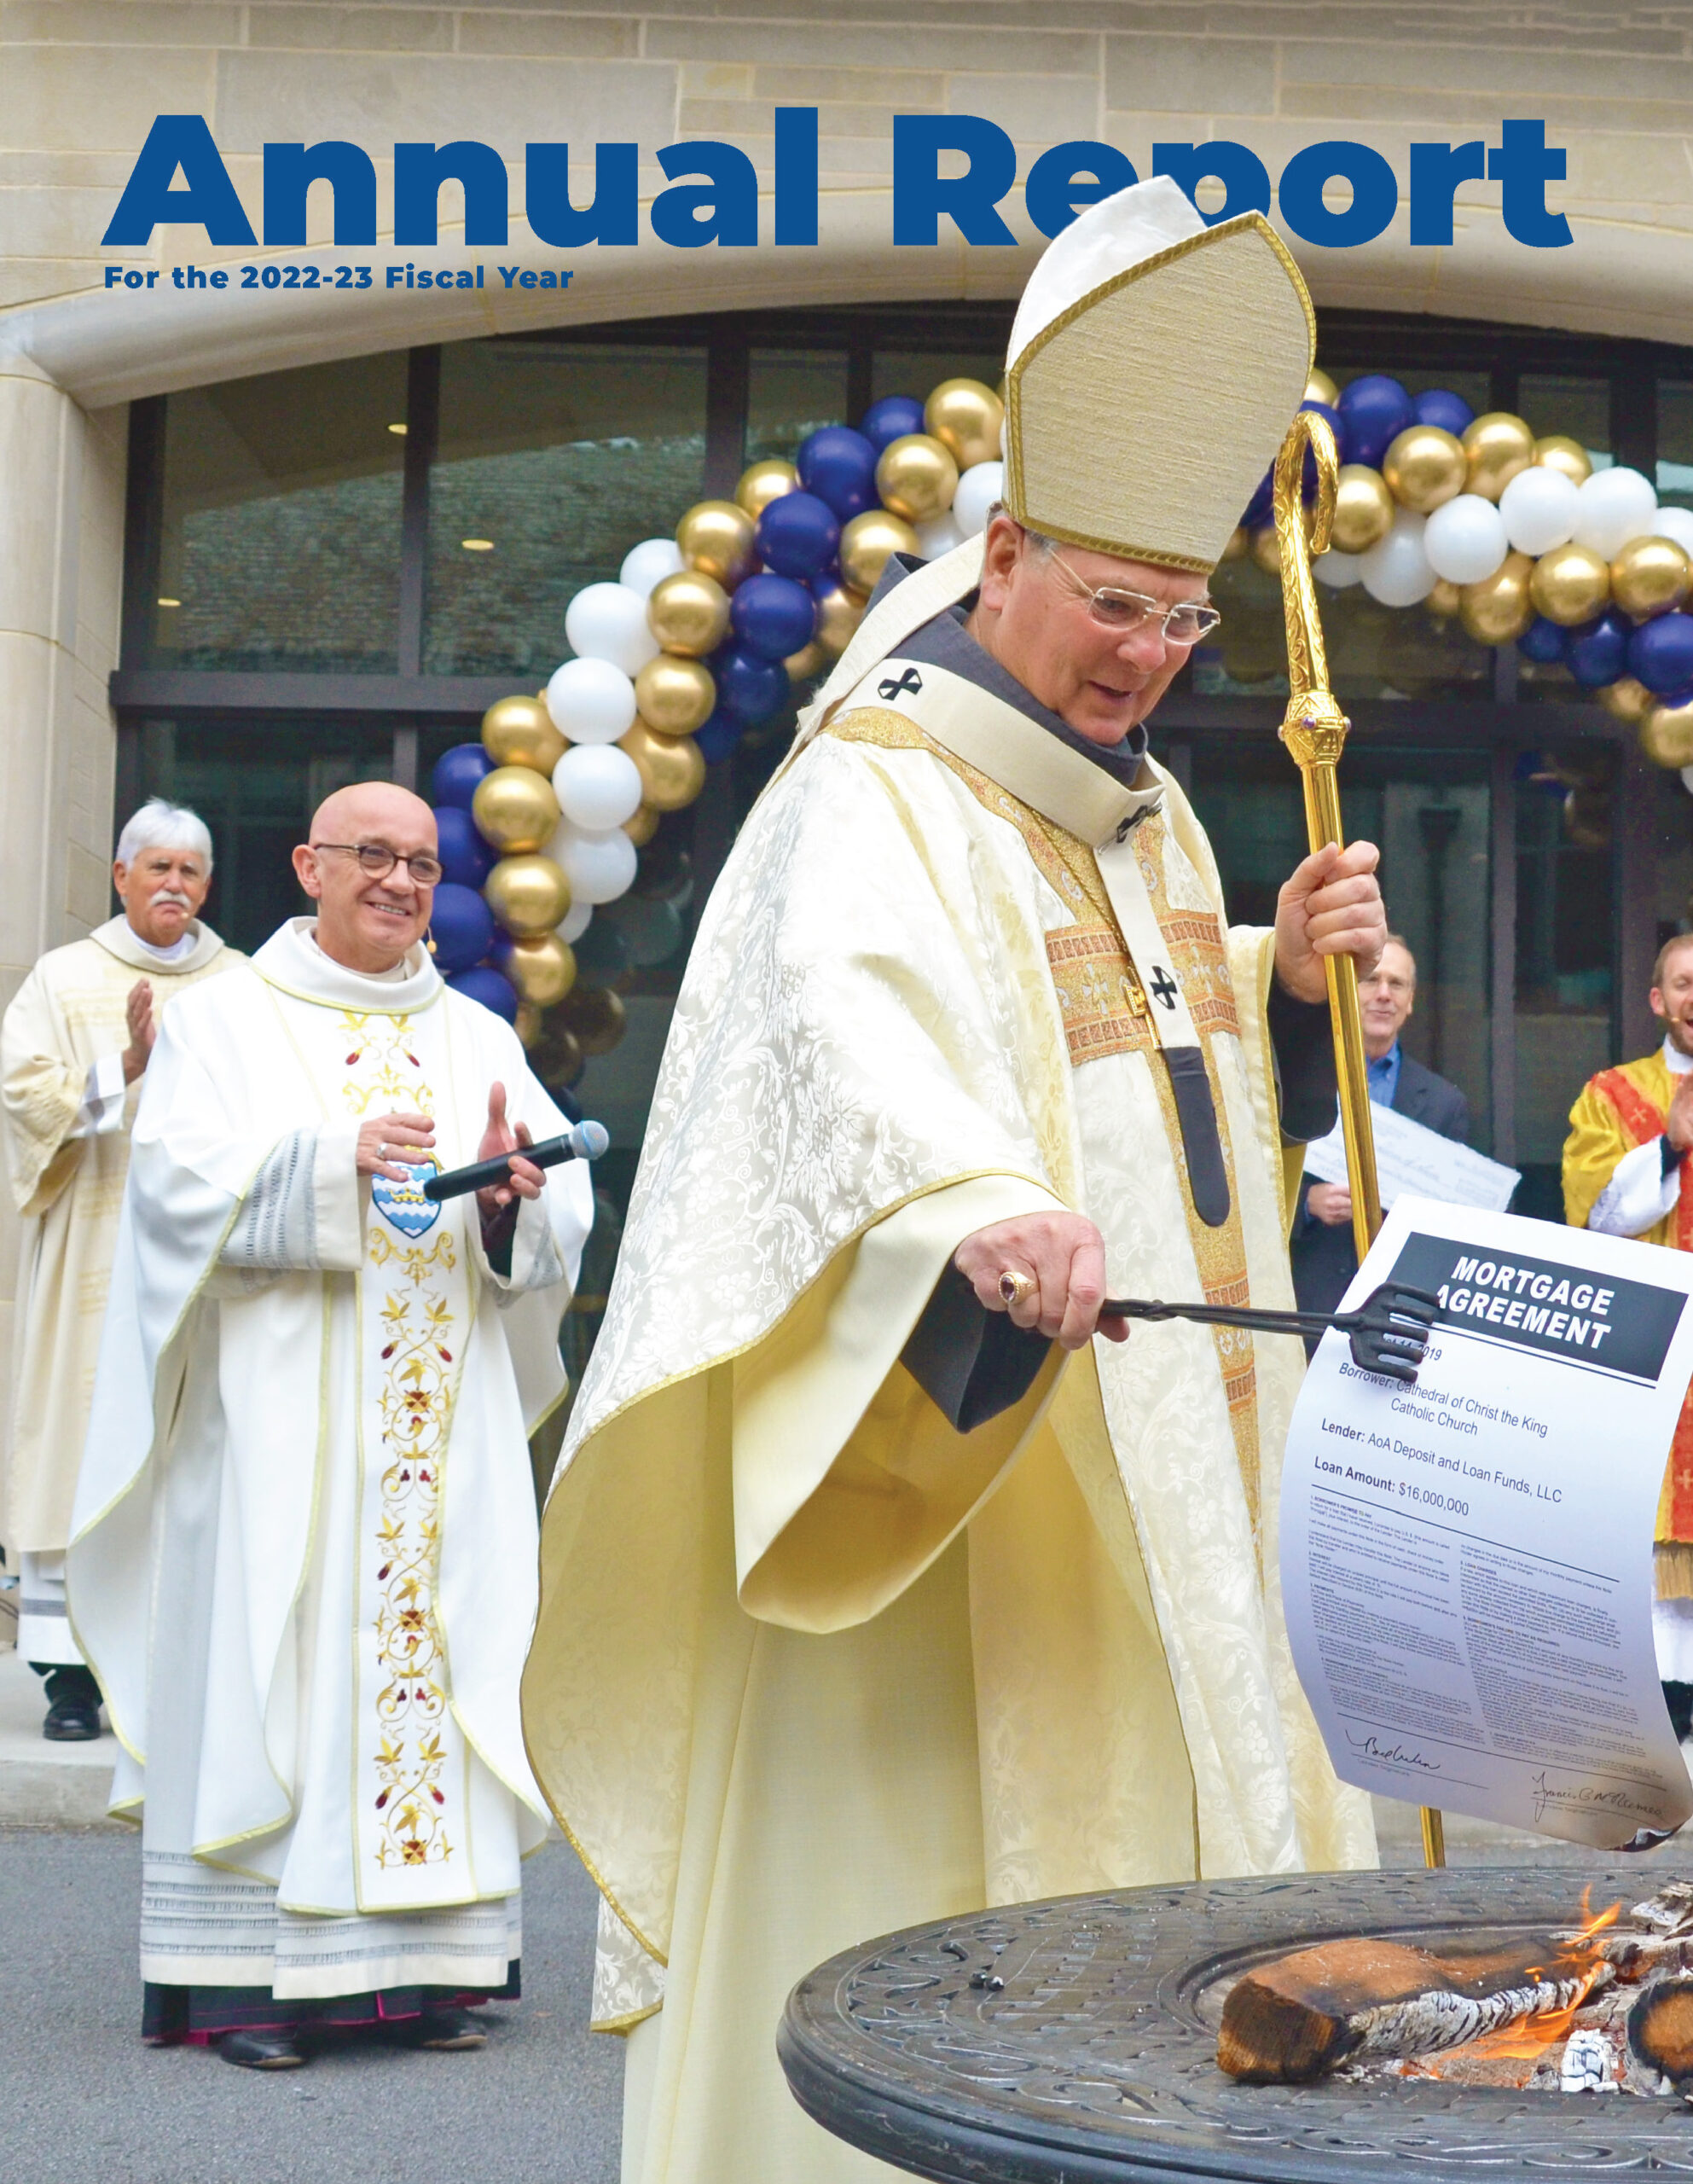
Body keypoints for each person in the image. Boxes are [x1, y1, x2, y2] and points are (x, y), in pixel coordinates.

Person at [521, 177, 1385, 2184]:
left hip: (1179, 1495)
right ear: (999, 553)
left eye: (1185, 617)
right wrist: (962, 1203)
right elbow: (837, 1037)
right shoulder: (868, 789)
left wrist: (1274, 966)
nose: (1152, 657)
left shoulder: (1150, 818)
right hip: (968, 1506)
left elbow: (1140, 1070)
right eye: (1113, 603)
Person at [67, 782, 593, 2069]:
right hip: (274, 1433)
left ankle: (428, 1974)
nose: (400, 882)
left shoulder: (474, 1033)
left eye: (420, 862)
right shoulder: (223, 1026)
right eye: (371, 856)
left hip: (435, 1437)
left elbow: (544, 1227)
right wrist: (323, 1161)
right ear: (308, 864)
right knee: (276, 1669)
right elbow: (173, 1199)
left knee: (440, 1657)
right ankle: (247, 1987)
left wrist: (510, 1203)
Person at [2, 799, 236, 1740]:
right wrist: (126, 1067)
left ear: (206, 886)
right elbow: (22, 1092)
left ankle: (170, 1672)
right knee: (76, 1447)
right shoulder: (65, 977)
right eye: (157, 869)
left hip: (203, 1265)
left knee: (183, 1457)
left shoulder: (241, 987)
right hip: (93, 1259)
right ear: (120, 876)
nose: (174, 886)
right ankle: (69, 1683)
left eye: (189, 872)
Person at [1563, 929, 1693, 1743]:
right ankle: (1669, 1722)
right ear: (1657, 999)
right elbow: (1596, 1216)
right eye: (1683, 984)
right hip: (1659, 1354)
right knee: (1662, 1563)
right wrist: (1671, 1144)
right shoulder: (1611, 1093)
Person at [1290, 935, 1470, 1325]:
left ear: (1410, 1001)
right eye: (1371, 980)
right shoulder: (1298, 1082)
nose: (1384, 994)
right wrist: (1307, 1203)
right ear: (1347, 991)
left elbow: (1456, 1218)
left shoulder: (1444, 1103)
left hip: (1398, 1304)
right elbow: (1259, 1184)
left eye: (1397, 984)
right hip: (1305, 1299)